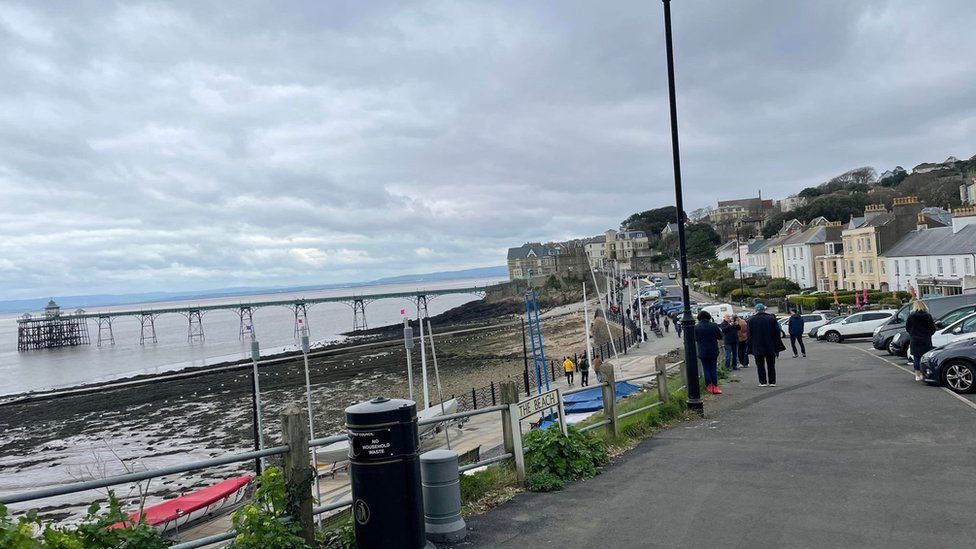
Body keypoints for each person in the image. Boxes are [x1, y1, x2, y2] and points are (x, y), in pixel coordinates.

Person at [747, 303, 785, 387]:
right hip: (770, 345)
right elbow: (776, 333)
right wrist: (777, 346)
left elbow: (749, 335)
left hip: (757, 345)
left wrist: (749, 346)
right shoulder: (771, 319)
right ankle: (772, 382)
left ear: (756, 310)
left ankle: (763, 382)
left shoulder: (751, 320)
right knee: (771, 364)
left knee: (760, 365)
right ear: (764, 309)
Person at [906, 300, 937, 382]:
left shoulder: (911, 316)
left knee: (916, 357)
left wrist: (912, 334)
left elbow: (907, 328)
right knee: (926, 357)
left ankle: (917, 375)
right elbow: (932, 328)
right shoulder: (927, 316)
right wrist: (928, 334)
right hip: (925, 339)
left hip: (915, 339)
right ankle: (925, 373)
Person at [694, 311, 723, 394]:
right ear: (709, 317)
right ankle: (715, 387)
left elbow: (695, 339)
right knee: (713, 368)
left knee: (706, 368)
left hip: (702, 351)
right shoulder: (714, 325)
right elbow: (720, 336)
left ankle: (708, 386)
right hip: (713, 350)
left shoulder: (696, 327)